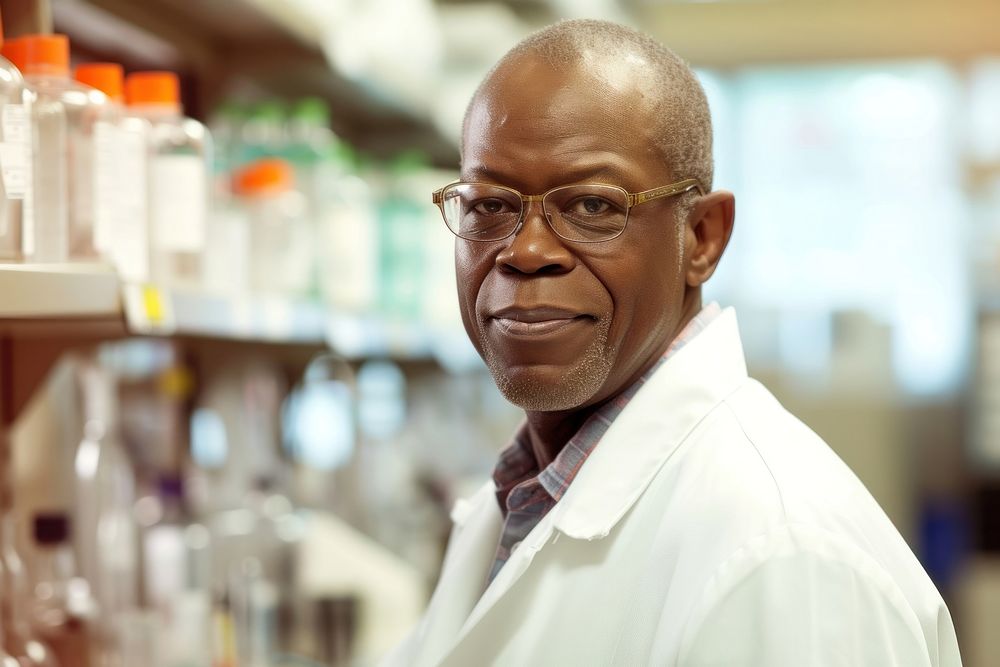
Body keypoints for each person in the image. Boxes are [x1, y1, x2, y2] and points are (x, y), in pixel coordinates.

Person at [384, 18, 962, 667]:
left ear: (703, 237)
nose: (525, 251)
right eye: (488, 205)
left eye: (593, 206)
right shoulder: (519, 500)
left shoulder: (782, 553)